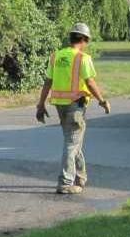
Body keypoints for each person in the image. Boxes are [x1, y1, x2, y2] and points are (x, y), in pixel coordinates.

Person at [36, 23, 111, 194]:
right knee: (71, 143)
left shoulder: (56, 56)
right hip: (75, 106)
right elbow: (90, 82)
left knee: (74, 140)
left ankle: (80, 176)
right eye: (87, 41)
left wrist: (41, 105)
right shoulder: (82, 58)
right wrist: (102, 100)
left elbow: (48, 82)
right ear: (84, 39)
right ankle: (65, 182)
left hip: (60, 106)